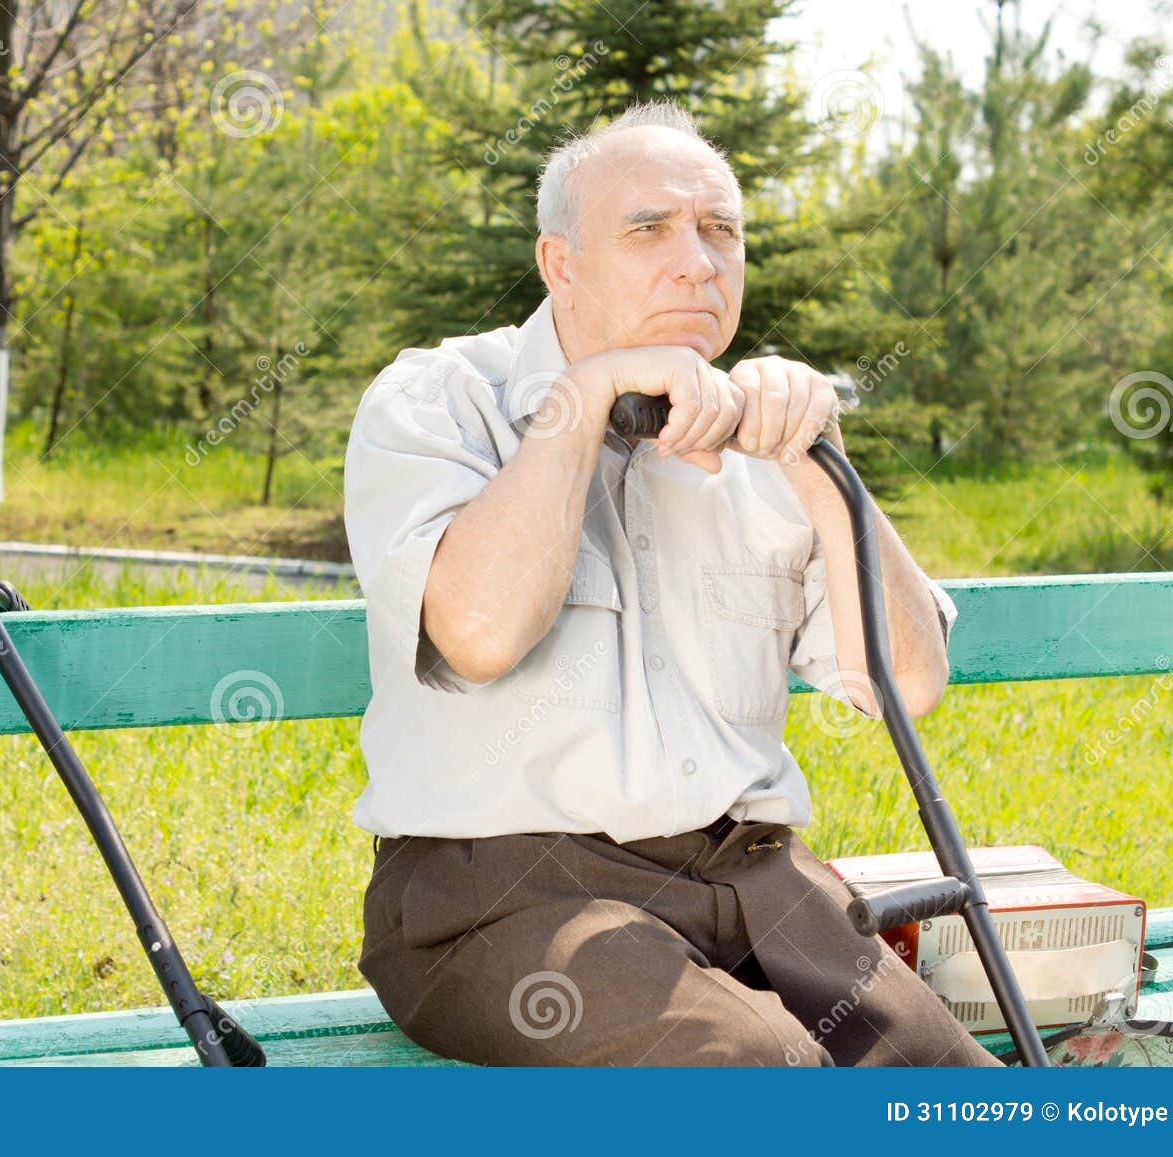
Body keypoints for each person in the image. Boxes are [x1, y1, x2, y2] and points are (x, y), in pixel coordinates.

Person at [341, 100, 1001, 1067]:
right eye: (650, 228)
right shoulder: (440, 400)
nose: (698, 260)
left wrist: (822, 471)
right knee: (752, 1072)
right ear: (559, 264)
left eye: (720, 229)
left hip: (760, 885)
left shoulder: (765, 433)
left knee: (960, 1096)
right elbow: (479, 633)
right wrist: (585, 400)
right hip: (502, 895)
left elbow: (906, 687)